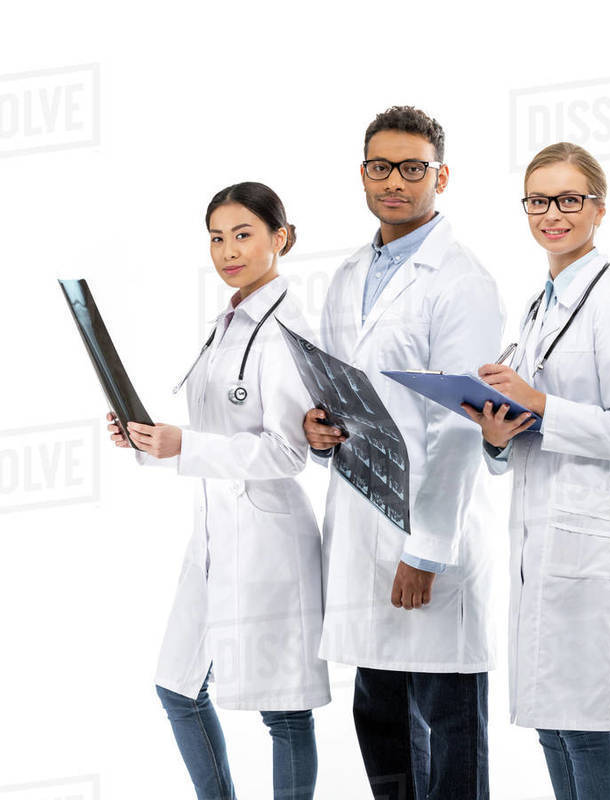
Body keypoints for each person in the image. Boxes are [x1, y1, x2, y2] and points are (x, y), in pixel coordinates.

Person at [302, 105, 502, 800]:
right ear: (362, 174)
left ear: (440, 177)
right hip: (360, 524)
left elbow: (461, 423)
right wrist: (318, 432)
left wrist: (427, 550)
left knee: (450, 728)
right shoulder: (348, 273)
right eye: (381, 167)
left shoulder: (462, 281)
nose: (395, 181)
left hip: (426, 533)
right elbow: (339, 387)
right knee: (380, 722)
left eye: (412, 168)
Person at [106, 181, 329, 800]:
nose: (227, 251)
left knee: (285, 711)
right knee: (177, 688)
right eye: (216, 238)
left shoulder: (286, 330)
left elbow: (288, 452)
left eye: (243, 234)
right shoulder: (228, 323)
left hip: (269, 541)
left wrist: (183, 446)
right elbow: (209, 432)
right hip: (211, 536)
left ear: (281, 238)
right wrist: (148, 441)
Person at [462, 142, 610, 800]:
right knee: (549, 721)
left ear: (599, 208)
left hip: (587, 537)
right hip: (537, 530)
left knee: (585, 724)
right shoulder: (538, 304)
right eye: (539, 201)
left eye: (569, 200)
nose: (552, 214)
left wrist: (539, 402)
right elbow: (522, 429)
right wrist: (495, 435)